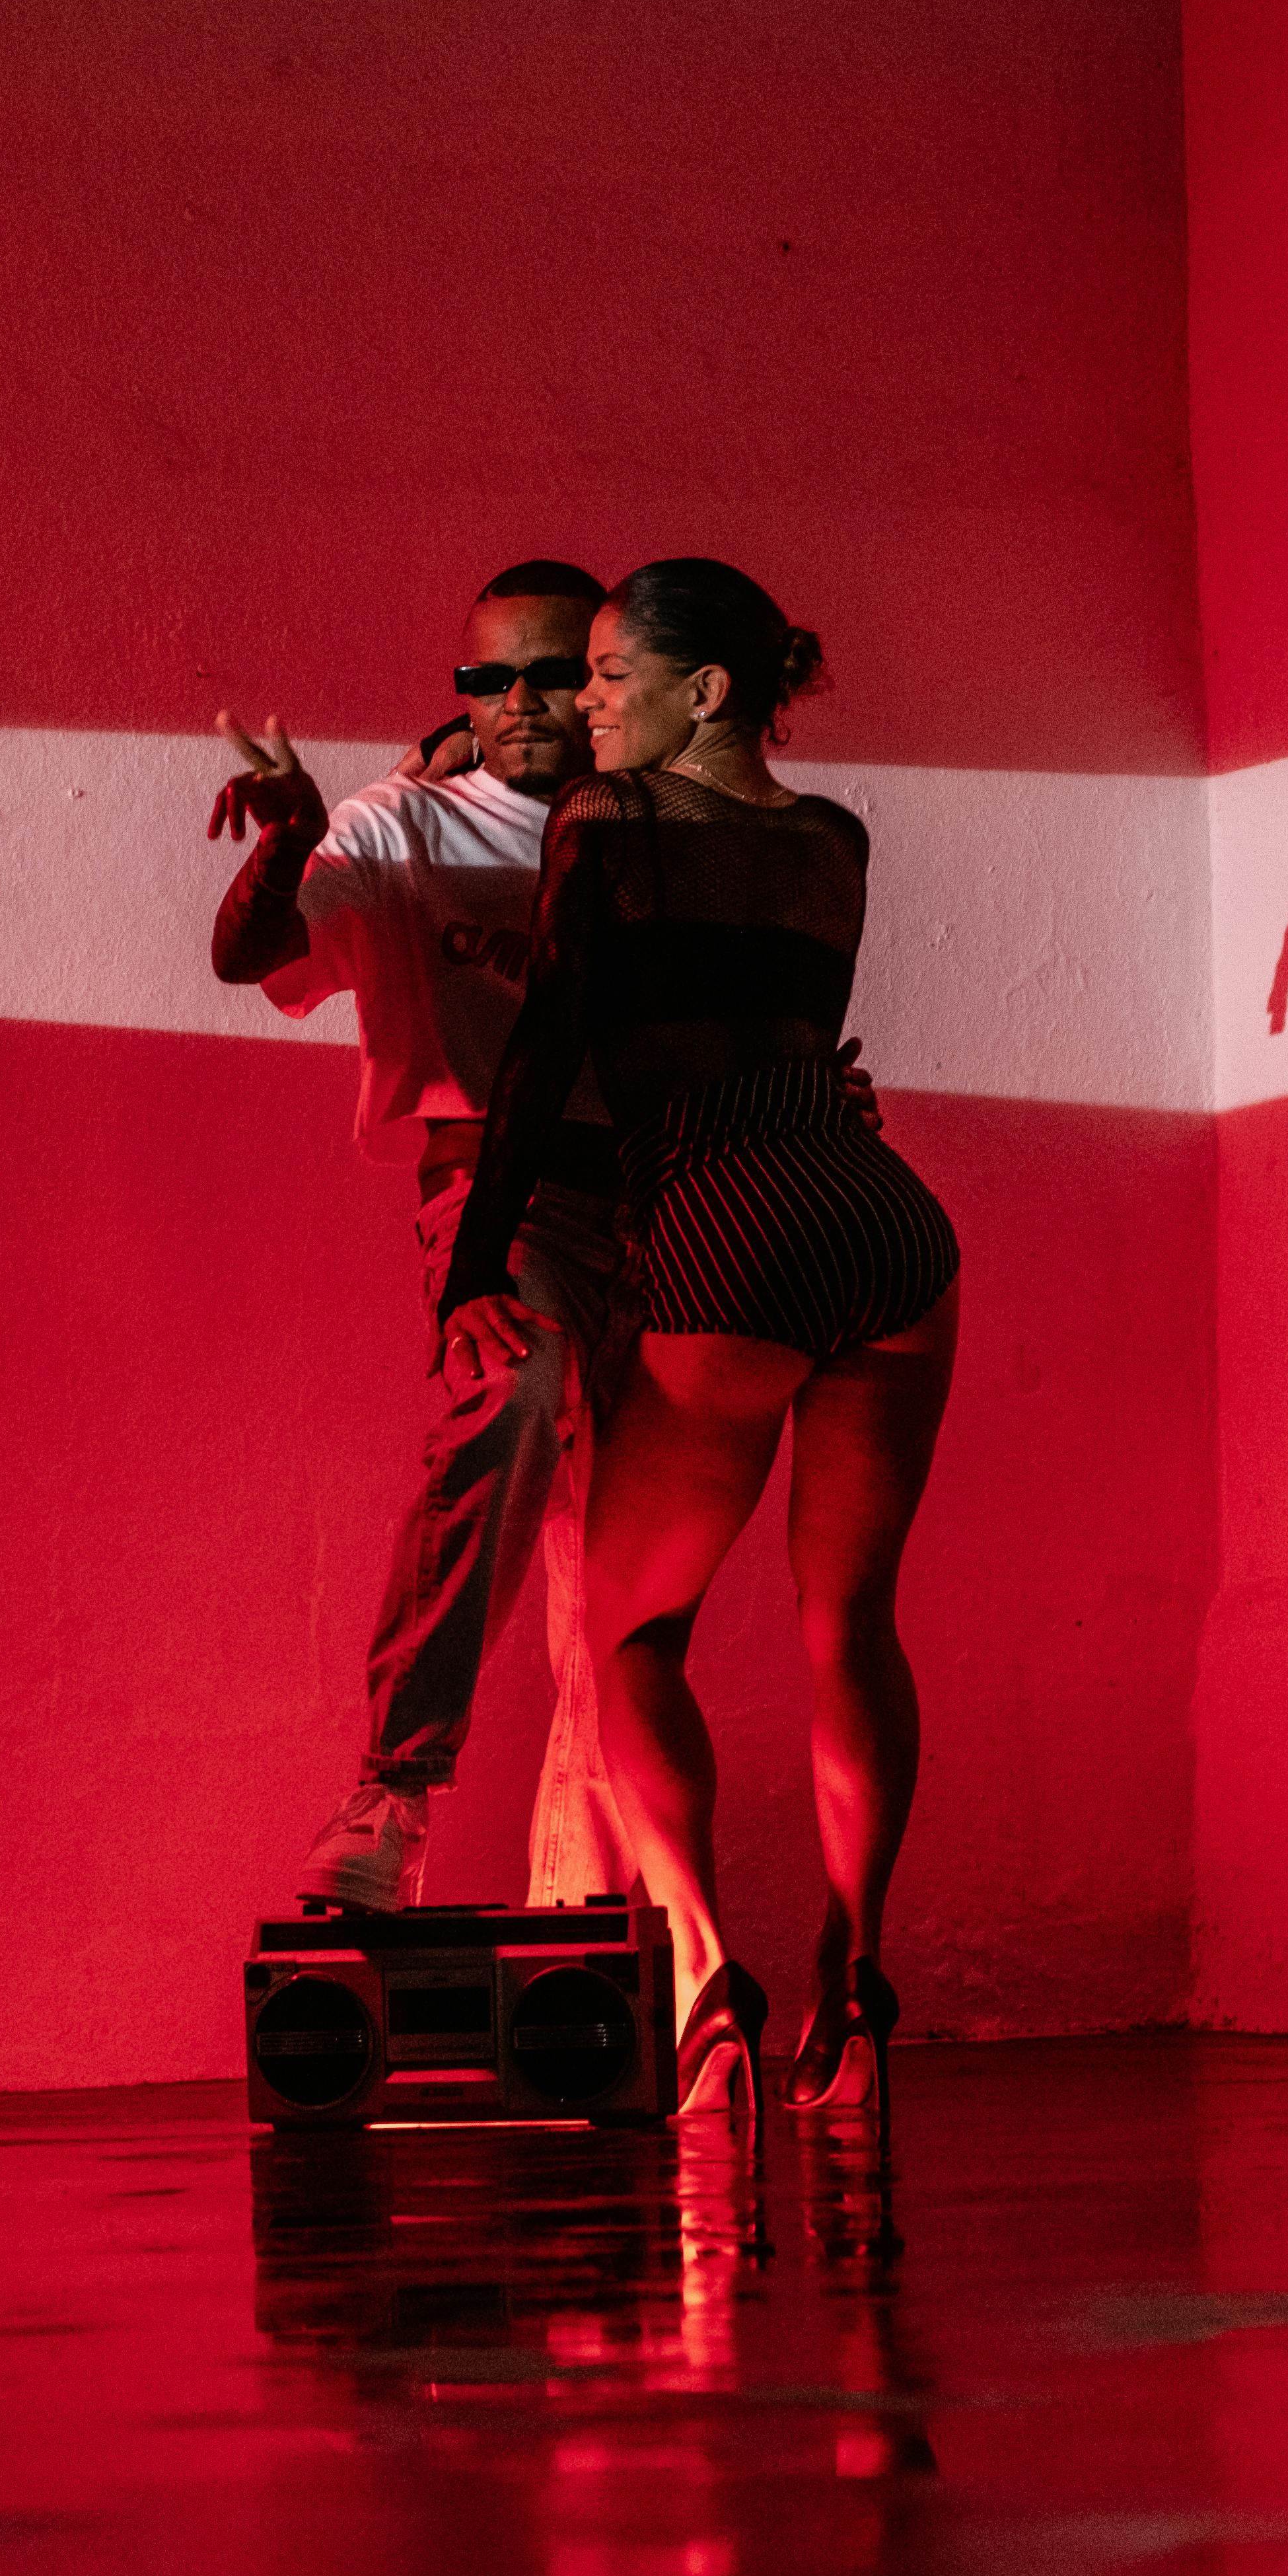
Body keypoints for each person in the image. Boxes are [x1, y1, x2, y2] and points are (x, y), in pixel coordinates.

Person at [437, 559, 962, 2121]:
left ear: (702, 694)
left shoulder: (616, 825)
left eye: (607, 676)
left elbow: (547, 1050)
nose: (583, 704)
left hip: (729, 1216)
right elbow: (792, 1030)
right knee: (849, 1622)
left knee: (628, 1633)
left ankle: (710, 1976)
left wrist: (476, 1258)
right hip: (884, 1217)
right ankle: (857, 1984)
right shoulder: (834, 840)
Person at [206, 560, 641, 1915]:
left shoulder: (656, 824)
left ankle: (595, 1843)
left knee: (624, 1551)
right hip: (493, 1199)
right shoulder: (406, 822)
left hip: (668, 1205)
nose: (519, 700)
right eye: (489, 678)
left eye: (553, 672)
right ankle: (393, 1788)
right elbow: (251, 955)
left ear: (607, 678)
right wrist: (287, 837)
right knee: (502, 1408)